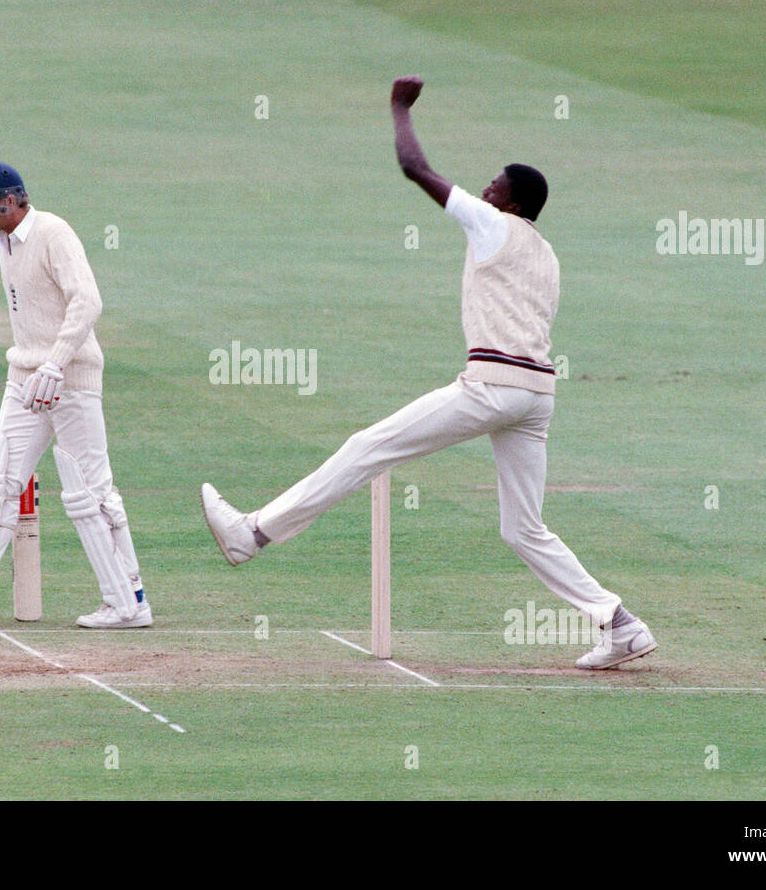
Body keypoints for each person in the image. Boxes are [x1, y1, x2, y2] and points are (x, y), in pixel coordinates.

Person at [201, 77, 655, 669]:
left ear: (511, 203)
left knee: (368, 446)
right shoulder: (546, 253)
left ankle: (253, 534)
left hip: (493, 389)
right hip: (536, 397)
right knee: (523, 530)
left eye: (495, 184)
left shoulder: (492, 224)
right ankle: (619, 624)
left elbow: (414, 167)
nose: (485, 187)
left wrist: (398, 107)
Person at [0, 161, 150, 629]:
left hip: (71, 377)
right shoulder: (3, 240)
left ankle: (129, 602)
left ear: (8, 200)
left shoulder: (54, 233)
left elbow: (88, 301)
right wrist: (36, 367)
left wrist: (55, 364)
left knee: (90, 490)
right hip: (23, 376)